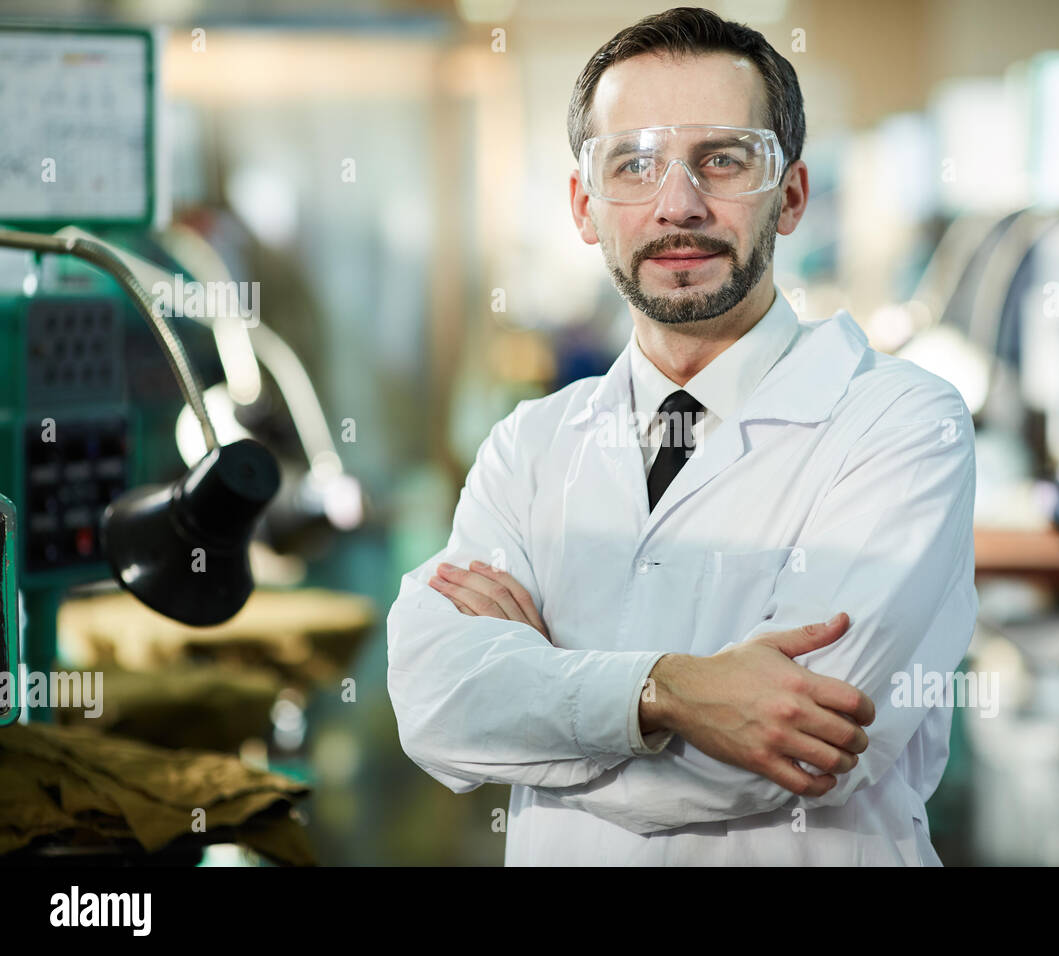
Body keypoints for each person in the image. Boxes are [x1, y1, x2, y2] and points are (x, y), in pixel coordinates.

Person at [387, 6, 977, 865]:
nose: (678, 204)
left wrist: (544, 685)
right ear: (587, 206)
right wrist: (671, 693)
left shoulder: (900, 424)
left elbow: (796, 752)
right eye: (634, 164)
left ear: (793, 195)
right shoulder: (530, 447)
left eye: (723, 160)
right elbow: (436, 704)